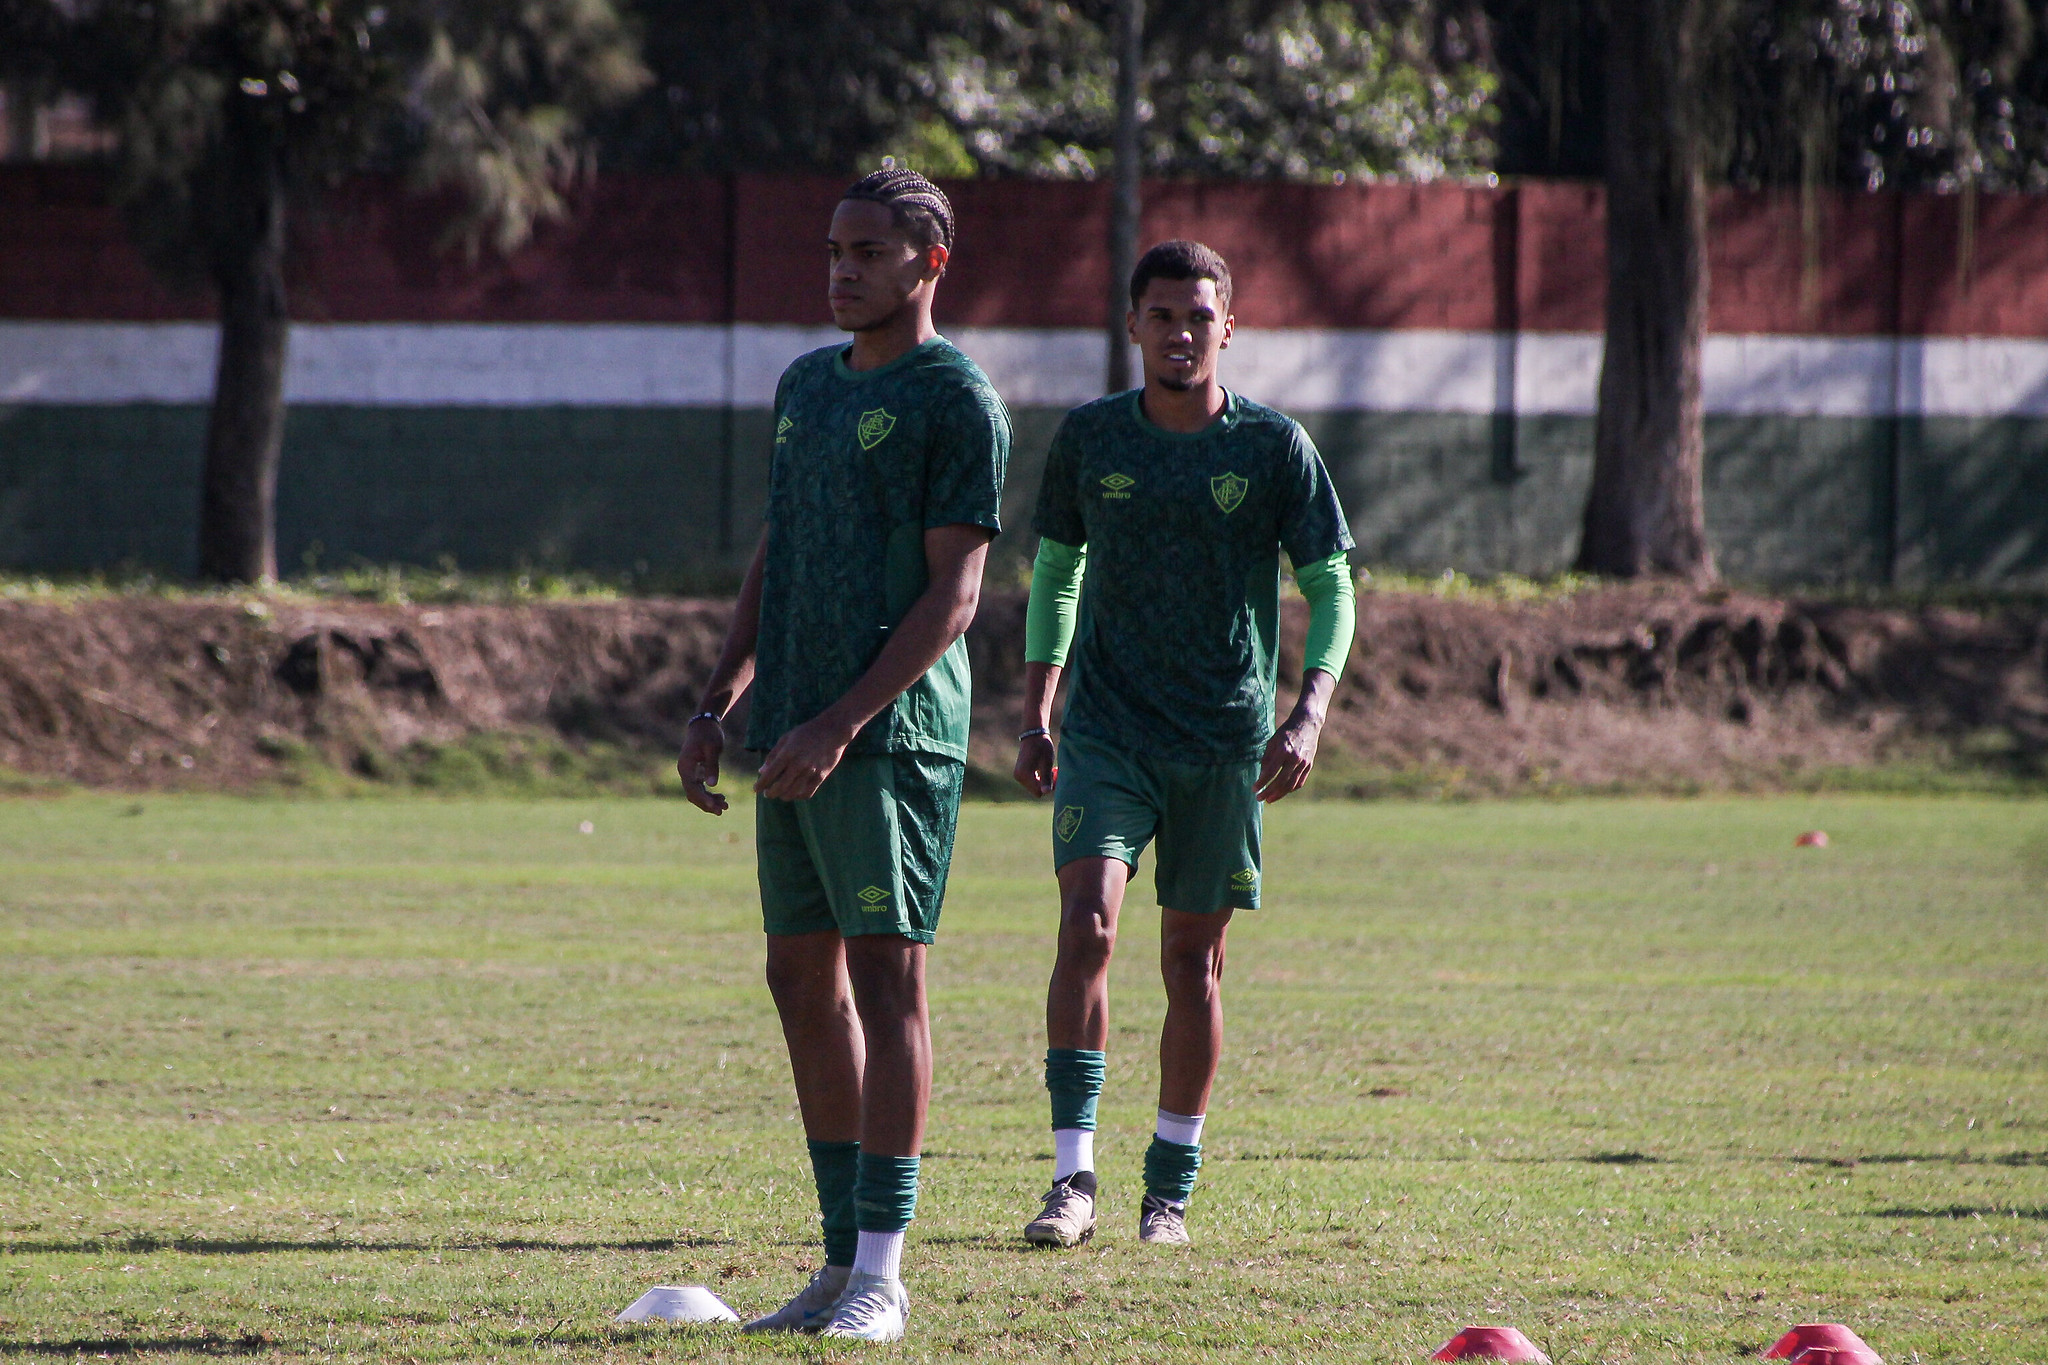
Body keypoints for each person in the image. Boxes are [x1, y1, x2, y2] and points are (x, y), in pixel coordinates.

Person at [676, 167, 1009, 1341]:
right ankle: (831, 1263)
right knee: (796, 979)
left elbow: (954, 595)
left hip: (887, 737)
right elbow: (782, 543)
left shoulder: (954, 397)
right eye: (832, 247)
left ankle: (882, 1274)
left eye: (868, 251)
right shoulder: (804, 386)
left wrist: (840, 723)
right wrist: (725, 693)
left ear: (930, 263)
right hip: (791, 729)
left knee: (887, 979)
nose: (840, 267)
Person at [1013, 240, 1356, 1249]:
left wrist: (1308, 712)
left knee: (1192, 964)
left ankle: (1169, 1187)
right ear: (1131, 326)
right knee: (1087, 927)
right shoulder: (1089, 441)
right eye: (1160, 316)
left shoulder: (1270, 448)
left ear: (1227, 328)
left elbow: (1330, 585)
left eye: (1197, 317)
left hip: (1221, 740)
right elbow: (1055, 575)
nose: (1179, 333)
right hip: (1107, 730)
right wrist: (1038, 708)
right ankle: (1072, 1180)